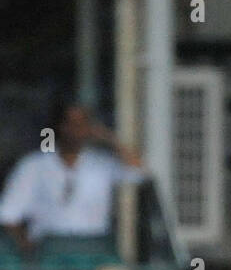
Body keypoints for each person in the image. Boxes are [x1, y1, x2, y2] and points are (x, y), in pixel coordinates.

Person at [0, 99, 145, 251]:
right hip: (49, 250)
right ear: (59, 126)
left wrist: (108, 137)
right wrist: (26, 249)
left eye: (83, 124)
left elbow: (139, 171)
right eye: (71, 124)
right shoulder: (34, 166)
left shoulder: (102, 163)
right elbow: (8, 214)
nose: (77, 131)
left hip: (95, 247)